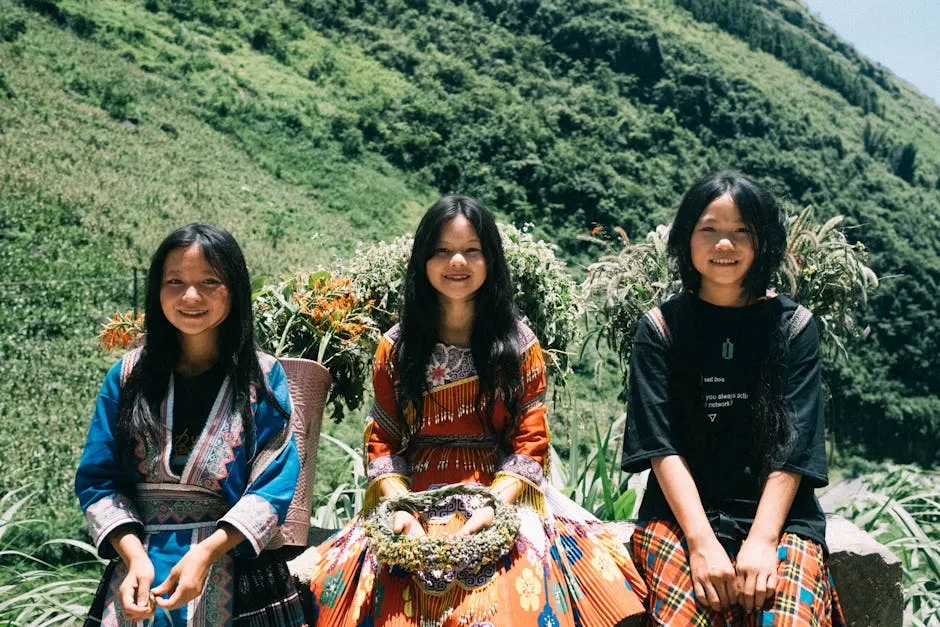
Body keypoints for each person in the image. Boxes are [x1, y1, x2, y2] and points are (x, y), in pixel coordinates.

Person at [293, 195, 647, 626]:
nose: (456, 261)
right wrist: (402, 508)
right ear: (422, 260)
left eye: (471, 250)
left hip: (501, 488)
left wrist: (492, 509)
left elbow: (530, 439)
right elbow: (382, 440)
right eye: (441, 250)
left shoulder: (519, 346)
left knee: (523, 583)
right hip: (413, 492)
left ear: (491, 260)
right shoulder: (396, 347)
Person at [621, 171, 846, 626]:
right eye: (710, 230)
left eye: (742, 231)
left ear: (764, 242)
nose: (725, 244)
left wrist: (763, 541)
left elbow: (793, 446)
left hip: (781, 523)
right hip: (681, 522)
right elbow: (661, 448)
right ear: (686, 239)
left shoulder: (794, 326)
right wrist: (701, 542)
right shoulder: (660, 329)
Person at [75, 224, 306, 626]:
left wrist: (206, 552)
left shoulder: (263, 378)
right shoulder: (127, 377)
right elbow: (98, 481)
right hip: (139, 574)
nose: (191, 296)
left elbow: (275, 481)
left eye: (209, 281)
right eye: (175, 281)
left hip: (239, 571)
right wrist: (134, 558)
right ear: (157, 289)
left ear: (234, 289)